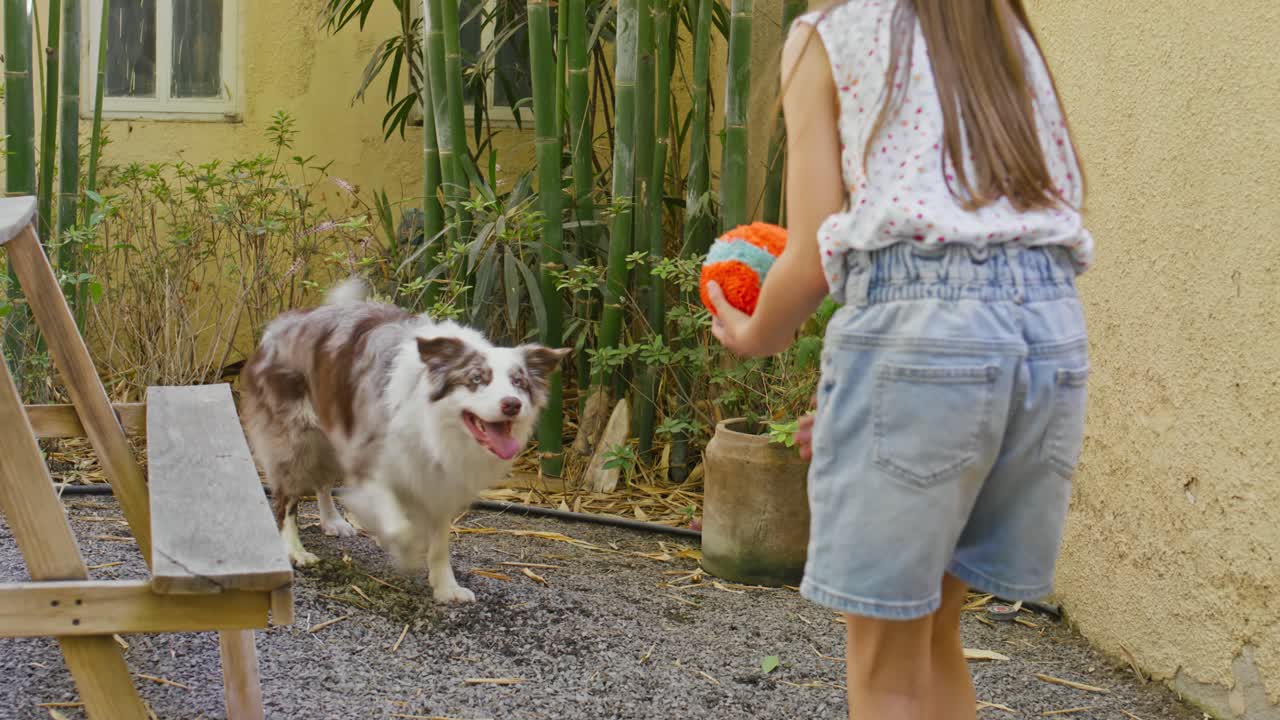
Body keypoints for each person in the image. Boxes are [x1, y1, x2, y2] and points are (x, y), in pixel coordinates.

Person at [705, 1, 1093, 718]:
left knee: (885, 669)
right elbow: (978, 255)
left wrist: (755, 333)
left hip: (922, 340)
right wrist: (855, 385)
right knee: (935, 629)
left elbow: (815, 248)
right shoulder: (988, 18)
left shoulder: (828, 31)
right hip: (1048, 335)